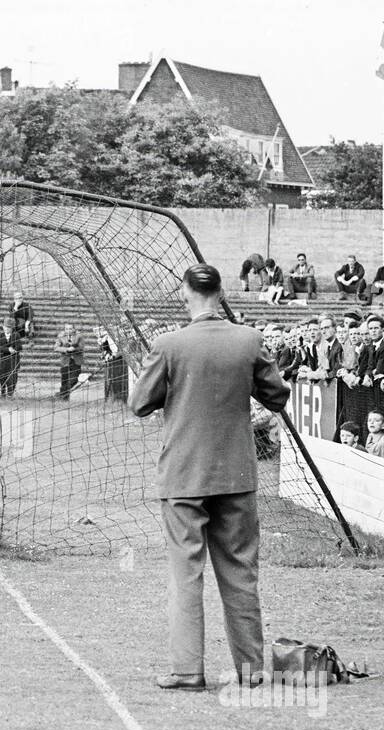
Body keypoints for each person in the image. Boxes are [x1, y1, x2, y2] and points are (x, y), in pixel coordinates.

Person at [129, 263, 289, 690]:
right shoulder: (249, 340)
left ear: (185, 293)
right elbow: (276, 396)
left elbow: (139, 404)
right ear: (221, 293)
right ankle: (252, 671)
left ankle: (187, 671)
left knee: (186, 574)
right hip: (236, 473)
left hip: (184, 473)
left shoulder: (168, 344)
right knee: (240, 573)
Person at [54, 323, 84, 398]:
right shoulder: (60, 336)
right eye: (66, 329)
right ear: (64, 329)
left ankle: (61, 394)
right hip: (65, 361)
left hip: (76, 360)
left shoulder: (79, 336)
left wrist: (74, 349)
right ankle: (64, 398)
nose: (68, 331)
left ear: (74, 329)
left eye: (70, 329)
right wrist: (66, 349)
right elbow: (56, 348)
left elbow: (81, 347)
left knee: (74, 380)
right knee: (64, 379)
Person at [0, 317, 23, 396]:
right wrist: (8, 349)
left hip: (13, 360)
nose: (7, 329)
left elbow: (19, 347)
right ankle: (3, 393)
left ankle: (10, 394)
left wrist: (14, 349)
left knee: (12, 378)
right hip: (2, 360)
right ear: (3, 326)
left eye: (9, 327)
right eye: (6, 327)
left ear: (12, 328)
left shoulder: (16, 335)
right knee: (2, 378)